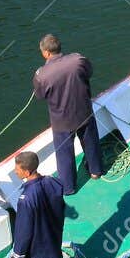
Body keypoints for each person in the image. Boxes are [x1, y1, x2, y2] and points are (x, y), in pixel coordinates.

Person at [32, 33, 103, 194]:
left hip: (61, 121)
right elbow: (89, 72)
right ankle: (96, 171)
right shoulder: (78, 60)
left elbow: (40, 95)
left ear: (46, 53)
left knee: (64, 154)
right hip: (84, 112)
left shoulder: (41, 74)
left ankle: (69, 187)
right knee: (91, 142)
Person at [2, 151, 70, 258]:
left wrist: (19, 256)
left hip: (36, 247)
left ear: (27, 172)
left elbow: (24, 231)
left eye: (17, 169)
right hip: (53, 238)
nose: (15, 172)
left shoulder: (26, 199)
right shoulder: (52, 183)